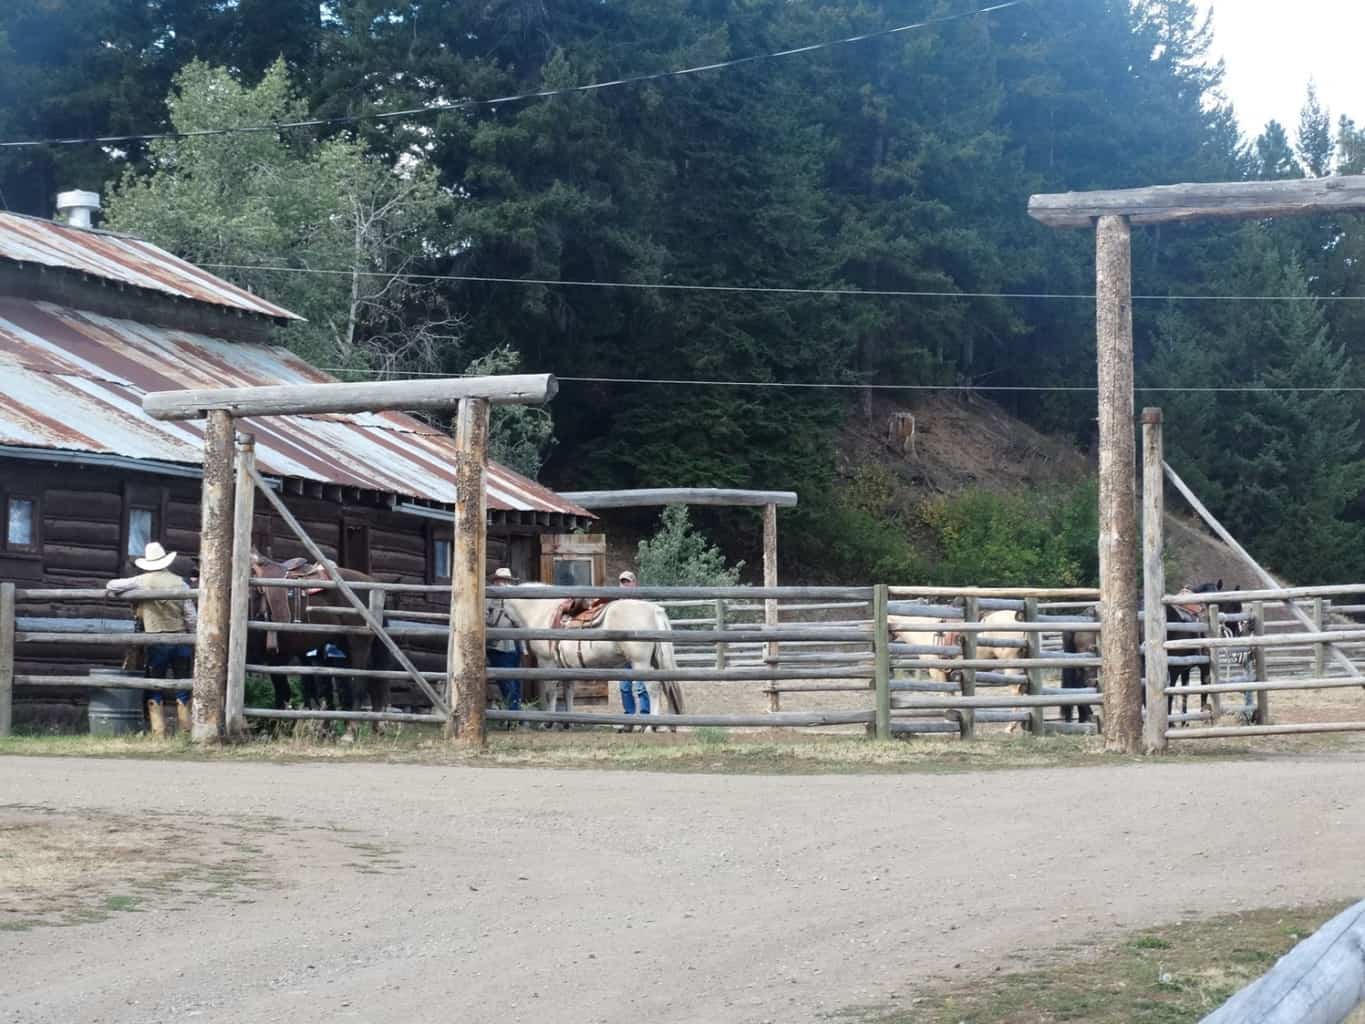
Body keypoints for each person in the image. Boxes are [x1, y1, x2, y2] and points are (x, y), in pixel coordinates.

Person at [106, 542, 197, 737]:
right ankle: (187, 732)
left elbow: (112, 585)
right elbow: (190, 615)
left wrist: (121, 592)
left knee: (155, 683)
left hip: (157, 639)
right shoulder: (180, 582)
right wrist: (194, 636)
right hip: (181, 638)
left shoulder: (142, 581)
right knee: (182, 683)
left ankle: (159, 732)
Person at [485, 567, 522, 723]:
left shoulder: (517, 598)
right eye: (502, 581)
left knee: (516, 681)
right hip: (497, 644)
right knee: (505, 681)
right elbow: (484, 618)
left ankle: (515, 715)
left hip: (515, 643)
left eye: (507, 581)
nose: (505, 584)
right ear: (495, 581)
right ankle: (513, 716)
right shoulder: (489, 597)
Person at [617, 570, 651, 721]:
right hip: (623, 651)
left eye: (627, 582)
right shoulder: (617, 605)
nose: (625, 585)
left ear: (634, 583)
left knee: (641, 685)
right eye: (622, 582)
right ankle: (629, 717)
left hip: (639, 650)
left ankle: (644, 716)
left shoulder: (641, 605)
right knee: (624, 686)